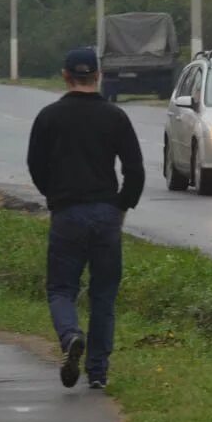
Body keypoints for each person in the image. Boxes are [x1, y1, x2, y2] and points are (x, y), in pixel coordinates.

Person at [27, 47, 145, 390]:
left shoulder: (48, 117)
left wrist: (55, 195)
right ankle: (97, 371)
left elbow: (36, 165)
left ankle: (70, 336)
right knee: (104, 294)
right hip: (106, 214)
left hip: (67, 214)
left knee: (61, 289)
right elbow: (134, 169)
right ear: (98, 75)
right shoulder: (115, 116)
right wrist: (122, 205)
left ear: (65, 76)